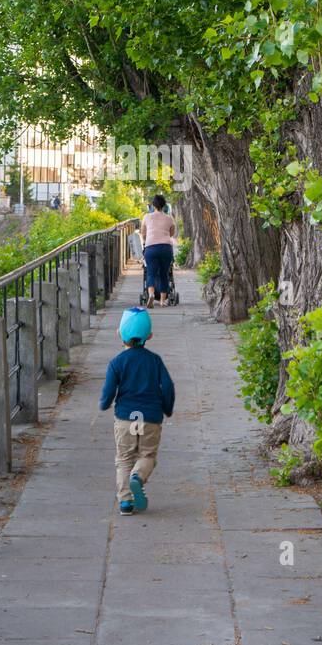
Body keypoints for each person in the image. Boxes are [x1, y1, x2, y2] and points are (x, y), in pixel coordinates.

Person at [100, 306, 175, 514]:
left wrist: (105, 404)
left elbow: (108, 390)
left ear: (119, 334)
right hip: (150, 418)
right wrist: (167, 408)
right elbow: (168, 387)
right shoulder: (154, 361)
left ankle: (125, 502)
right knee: (147, 455)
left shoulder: (116, 362)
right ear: (149, 335)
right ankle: (138, 476)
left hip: (125, 418)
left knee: (124, 458)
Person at [140, 193, 176, 307]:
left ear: (153, 205)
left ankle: (151, 295)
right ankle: (162, 300)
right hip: (165, 247)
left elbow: (143, 233)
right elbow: (172, 233)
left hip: (151, 248)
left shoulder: (146, 217)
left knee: (150, 272)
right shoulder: (169, 218)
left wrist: (148, 239)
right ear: (164, 205)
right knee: (164, 274)